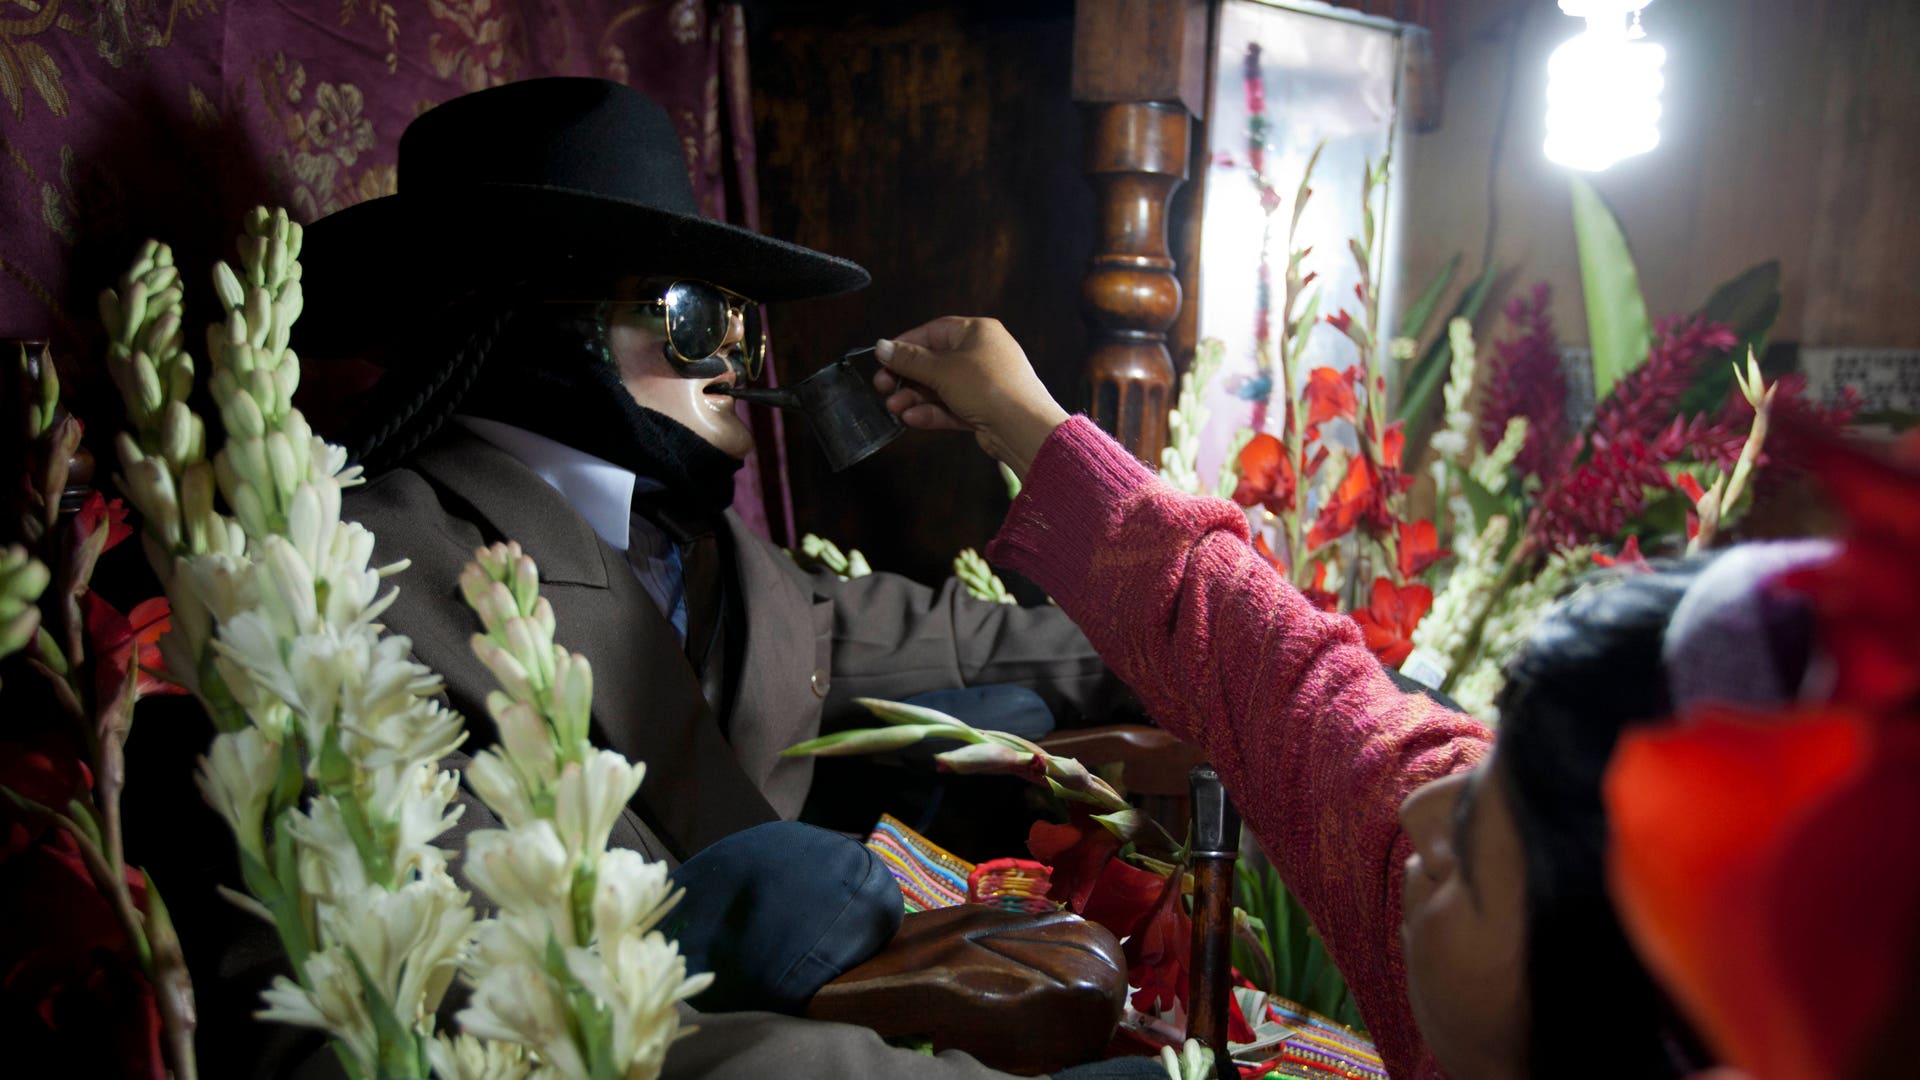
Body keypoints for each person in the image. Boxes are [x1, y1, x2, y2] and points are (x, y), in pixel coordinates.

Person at [264, 79, 1147, 1080]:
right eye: (692, 317)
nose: (735, 358)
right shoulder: (367, 581)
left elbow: (981, 640)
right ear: (528, 328)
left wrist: (1237, 660)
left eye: (744, 323)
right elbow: (489, 1021)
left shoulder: (720, 558)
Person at [866, 316, 1851, 1079]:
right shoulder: (1463, 854)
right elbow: (1283, 677)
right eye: (1484, 762)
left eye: (1471, 854)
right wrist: (1024, 419)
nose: (1424, 811)